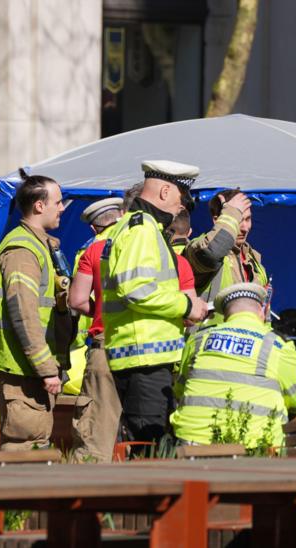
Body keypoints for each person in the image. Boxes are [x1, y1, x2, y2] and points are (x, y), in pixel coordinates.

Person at [100, 160, 209, 444]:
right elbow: (137, 290)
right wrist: (187, 306)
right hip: (145, 358)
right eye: (180, 199)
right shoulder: (142, 229)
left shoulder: (137, 227)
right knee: (149, 449)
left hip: (142, 354)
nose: (180, 208)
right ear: (164, 192)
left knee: (148, 444)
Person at [0, 173, 73, 450]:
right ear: (39, 205)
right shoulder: (22, 249)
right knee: (23, 446)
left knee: (34, 445)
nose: (62, 208)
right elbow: (24, 312)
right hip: (24, 369)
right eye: (57, 202)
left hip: (30, 368)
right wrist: (46, 368)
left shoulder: (40, 245)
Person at [172, 283, 296, 448]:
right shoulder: (278, 345)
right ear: (261, 311)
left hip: (191, 444)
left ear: (226, 315)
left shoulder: (198, 339)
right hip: (254, 446)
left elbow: (179, 390)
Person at [68, 197, 125, 462]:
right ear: (122, 215)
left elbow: (77, 300)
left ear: (94, 228)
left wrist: (100, 311)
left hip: (102, 345)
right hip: (152, 350)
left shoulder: (91, 251)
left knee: (95, 438)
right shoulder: (152, 245)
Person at [184, 189, 263, 325]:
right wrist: (232, 213)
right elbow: (212, 253)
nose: (245, 228)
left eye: (248, 219)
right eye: (239, 219)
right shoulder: (198, 248)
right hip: (211, 343)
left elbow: (262, 308)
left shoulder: (253, 258)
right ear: (217, 220)